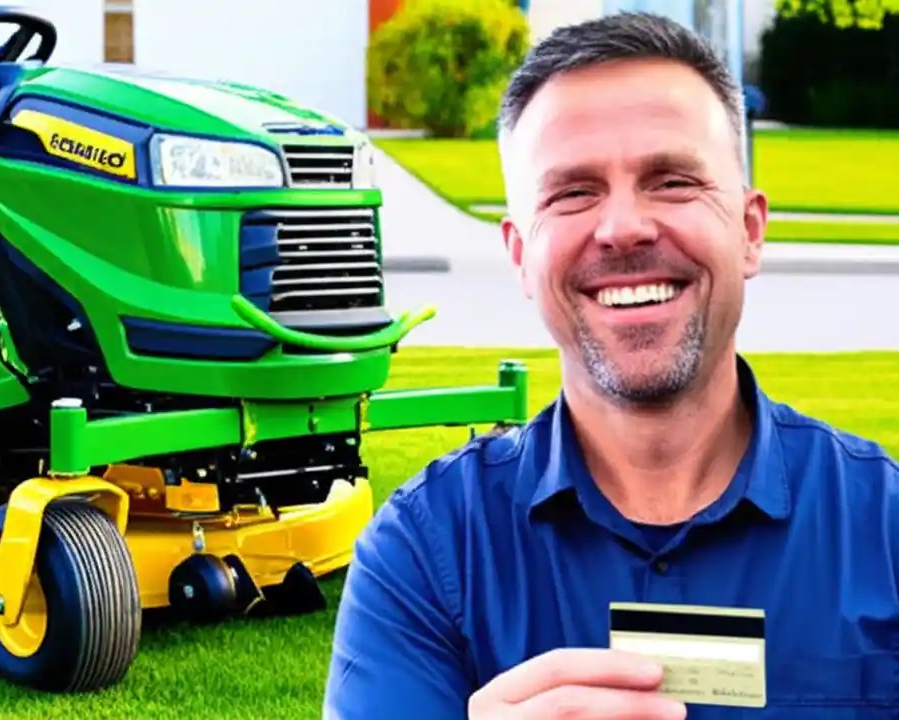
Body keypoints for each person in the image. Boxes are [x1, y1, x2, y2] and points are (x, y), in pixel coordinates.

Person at [323, 11, 899, 720]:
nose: (623, 227)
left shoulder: (886, 534)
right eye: (572, 192)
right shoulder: (424, 558)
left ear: (749, 231)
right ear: (519, 256)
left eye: (672, 181)